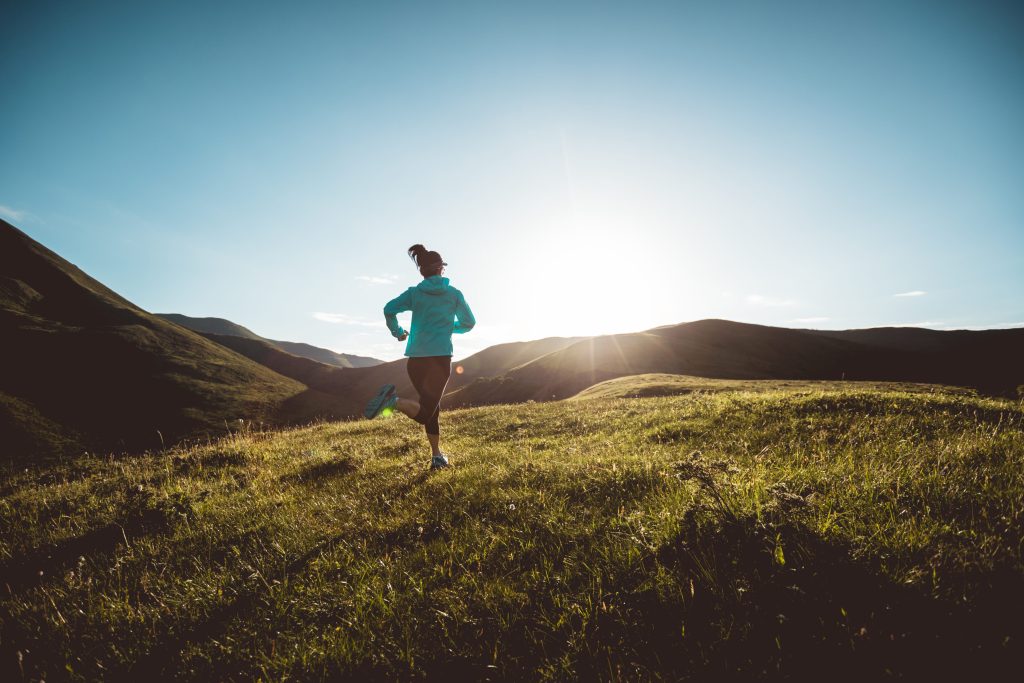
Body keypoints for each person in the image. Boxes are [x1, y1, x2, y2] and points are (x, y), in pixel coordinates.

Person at [364, 244, 476, 470]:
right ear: (441, 269)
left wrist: (398, 332)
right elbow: (469, 323)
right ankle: (392, 401)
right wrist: (448, 327)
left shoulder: (414, 293)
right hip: (440, 359)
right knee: (427, 412)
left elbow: (388, 309)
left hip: (415, 362)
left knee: (431, 409)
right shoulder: (454, 294)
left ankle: (436, 457)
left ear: (422, 271)